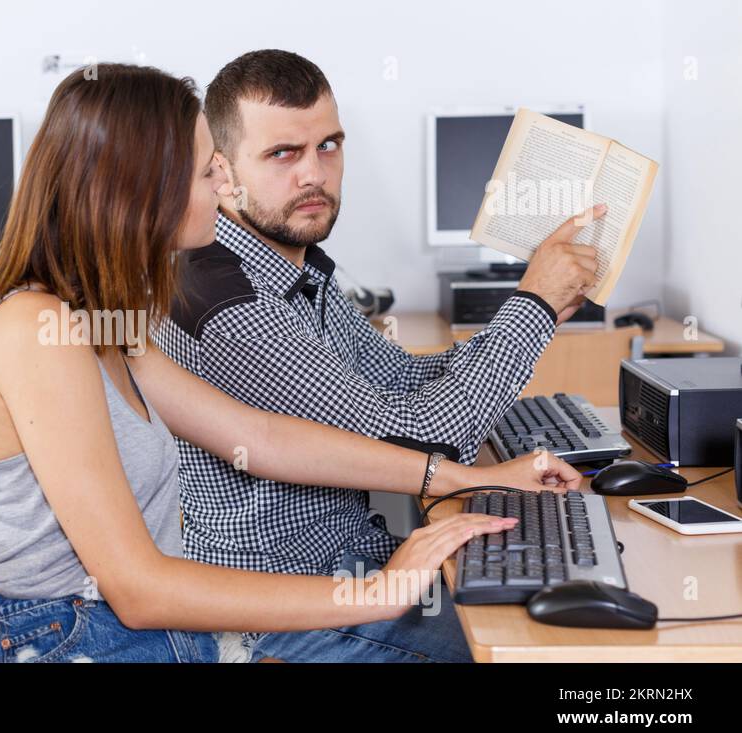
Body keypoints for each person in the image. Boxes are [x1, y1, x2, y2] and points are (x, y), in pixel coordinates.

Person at [0, 63, 580, 663]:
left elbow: (257, 436)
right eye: (204, 173)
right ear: (140, 191)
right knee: (529, 650)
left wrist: (447, 478)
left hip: (115, 626)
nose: (224, 189)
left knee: (515, 622)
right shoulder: (36, 335)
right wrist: (378, 592)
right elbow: (139, 590)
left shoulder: (103, 322)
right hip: (80, 637)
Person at [152, 49, 606, 662]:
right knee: (540, 647)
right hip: (286, 610)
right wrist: (532, 306)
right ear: (223, 172)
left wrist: (531, 309)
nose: (313, 174)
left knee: (548, 596)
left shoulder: (291, 267)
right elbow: (425, 436)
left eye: (329, 146)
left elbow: (402, 380)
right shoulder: (226, 299)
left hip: (347, 561)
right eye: (283, 154)